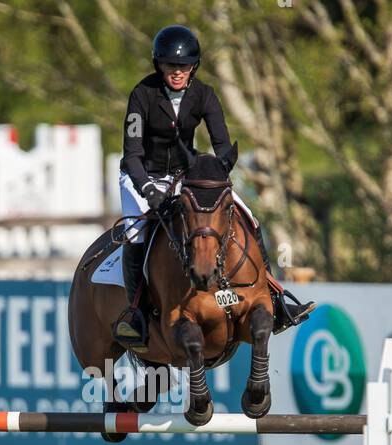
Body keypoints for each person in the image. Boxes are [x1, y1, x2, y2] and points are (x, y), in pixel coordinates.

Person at [115, 24, 314, 350]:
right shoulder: (142, 94)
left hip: (186, 176)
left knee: (250, 218)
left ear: (193, 67)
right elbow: (132, 154)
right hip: (142, 175)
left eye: (183, 66)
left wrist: (213, 175)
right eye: (170, 65)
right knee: (136, 234)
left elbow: (222, 146)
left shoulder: (204, 94)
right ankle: (136, 313)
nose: (177, 72)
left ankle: (275, 298)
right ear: (159, 65)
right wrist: (148, 189)